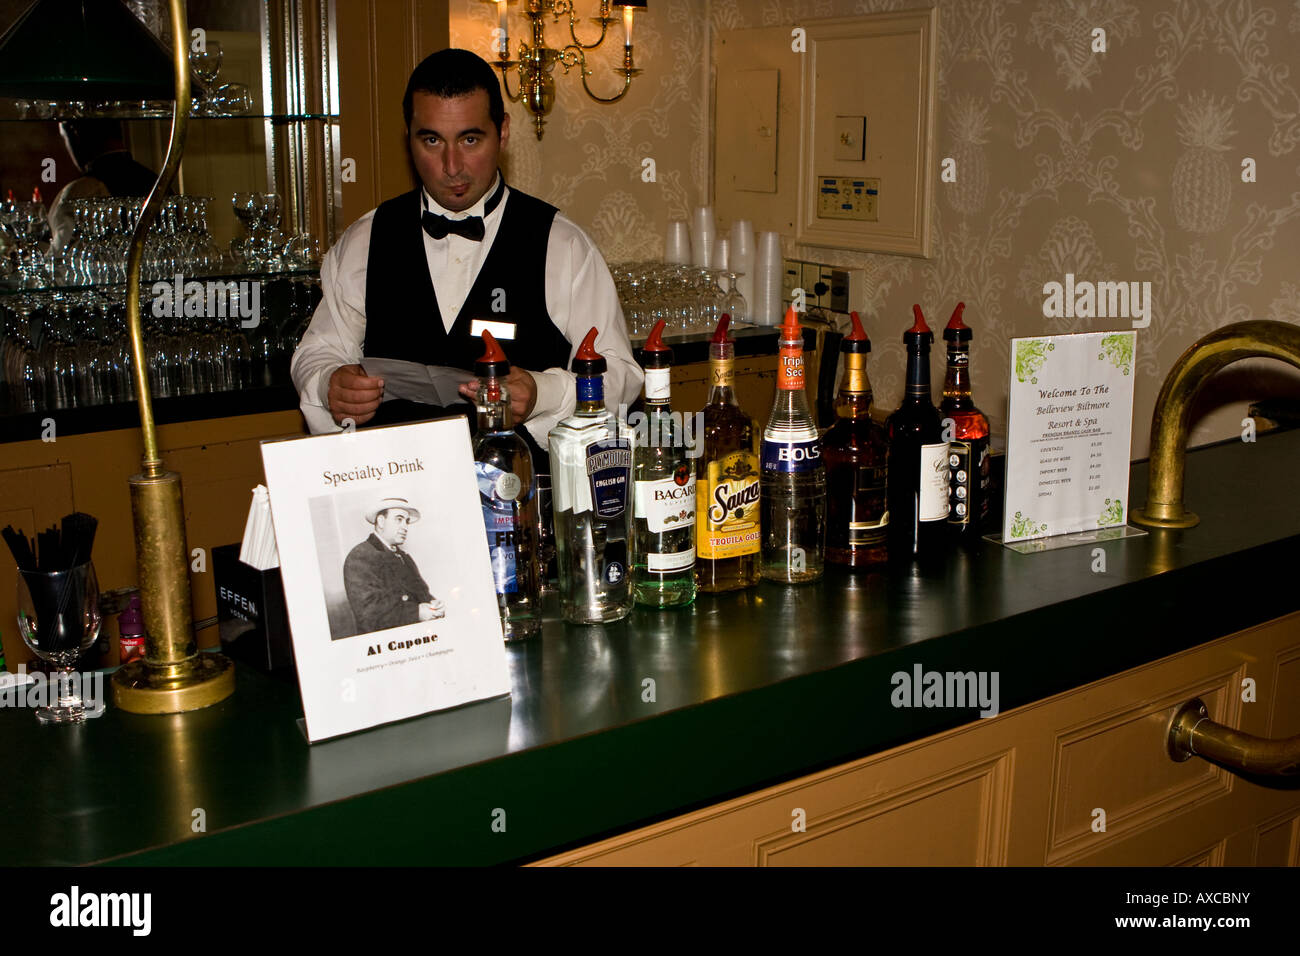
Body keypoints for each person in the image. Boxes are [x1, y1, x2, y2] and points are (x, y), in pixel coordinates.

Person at [290, 48, 641, 459]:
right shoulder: (364, 240)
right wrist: (329, 382)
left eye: (470, 139)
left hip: (521, 500)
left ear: (503, 132)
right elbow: (317, 352)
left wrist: (544, 392)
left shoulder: (562, 245)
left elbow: (619, 374)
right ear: (409, 136)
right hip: (395, 493)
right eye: (432, 140)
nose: (452, 166)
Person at [47, 119, 160, 250]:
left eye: (64, 138)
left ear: (74, 133)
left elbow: (59, 261)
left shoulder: (82, 193)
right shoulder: (156, 181)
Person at [342, 497, 444, 635]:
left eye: (406, 521)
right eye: (399, 519)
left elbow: (421, 595)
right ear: (381, 521)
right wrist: (417, 613)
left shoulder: (404, 558)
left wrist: (434, 605)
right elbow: (369, 615)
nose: (405, 527)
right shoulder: (360, 557)